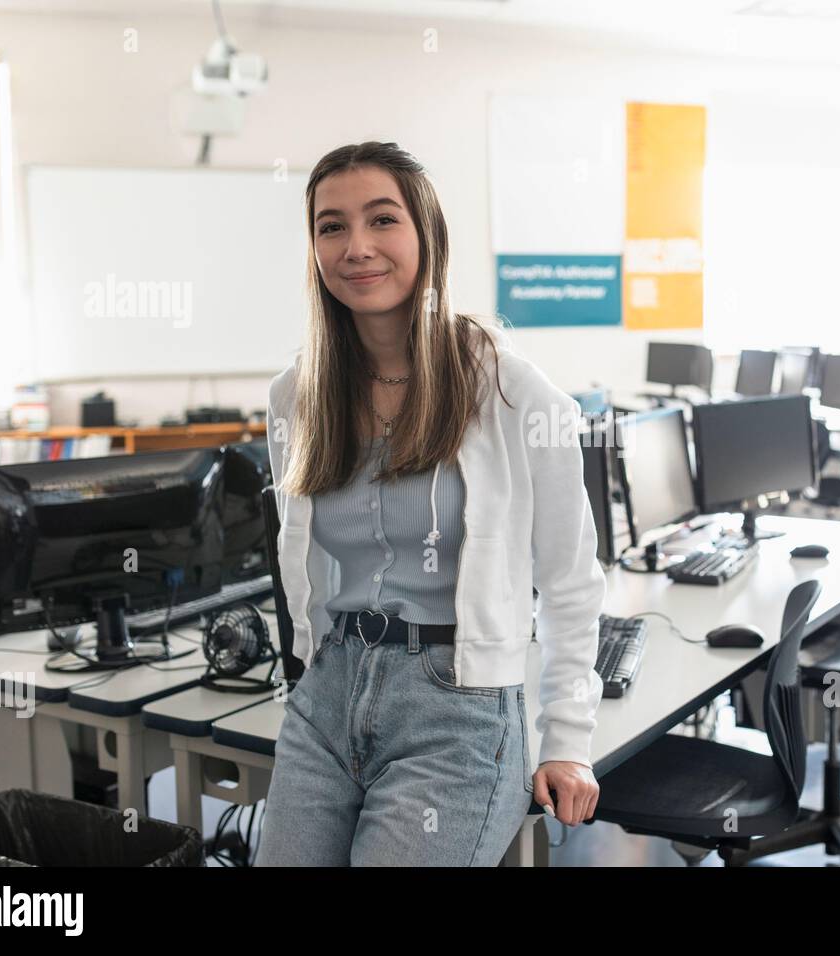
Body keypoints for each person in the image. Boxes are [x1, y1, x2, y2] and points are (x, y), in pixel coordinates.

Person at [255, 141, 605, 866]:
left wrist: (568, 739)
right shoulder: (296, 395)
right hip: (328, 694)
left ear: (427, 236)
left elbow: (571, 578)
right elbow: (301, 565)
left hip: (457, 707)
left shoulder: (510, 390)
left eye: (382, 220)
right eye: (331, 226)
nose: (357, 247)